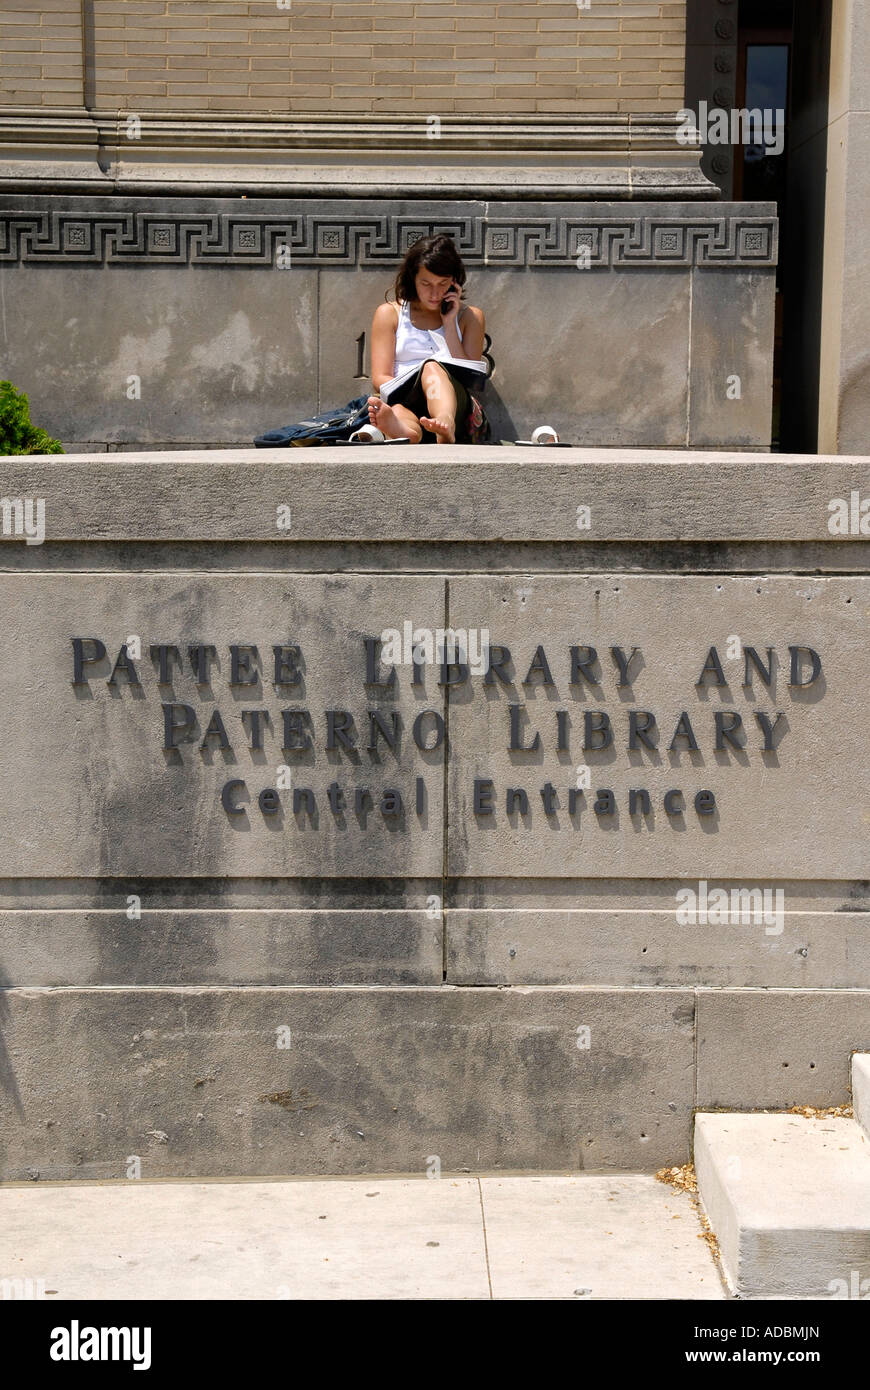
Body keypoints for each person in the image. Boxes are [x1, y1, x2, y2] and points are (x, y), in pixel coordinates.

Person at [366, 234, 486, 445]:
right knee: (399, 411)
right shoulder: (389, 313)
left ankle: (444, 425)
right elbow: (380, 376)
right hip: (403, 397)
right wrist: (414, 390)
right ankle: (408, 432)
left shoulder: (470, 317)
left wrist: (449, 325)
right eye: (426, 283)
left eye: (443, 284)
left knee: (432, 368)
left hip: (452, 404)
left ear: (454, 282)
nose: (435, 293)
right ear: (412, 278)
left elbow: (469, 378)